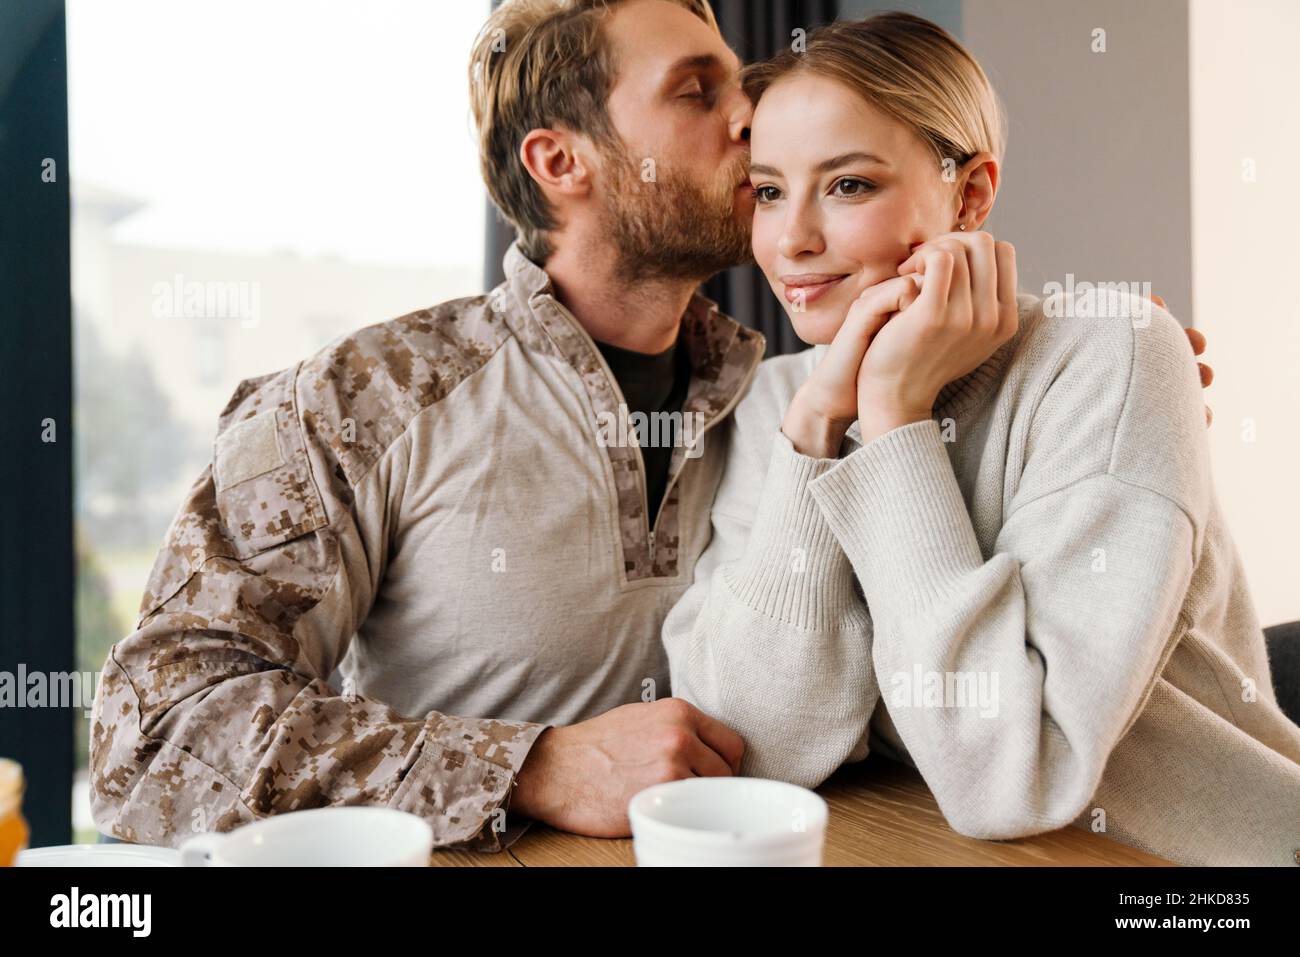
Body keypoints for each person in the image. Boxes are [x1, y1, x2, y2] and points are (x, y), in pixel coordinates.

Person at [89, 0, 1214, 852]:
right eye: (697, 92)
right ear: (563, 162)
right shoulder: (360, 398)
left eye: (743, 83)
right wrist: (525, 770)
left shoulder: (772, 391)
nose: (749, 113)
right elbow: (148, 746)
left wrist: (1082, 359)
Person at [662, 12, 1299, 866]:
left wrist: (895, 416)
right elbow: (757, 747)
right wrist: (815, 430)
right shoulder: (782, 397)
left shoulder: (1115, 354)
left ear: (968, 194)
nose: (793, 240)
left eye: (848, 185)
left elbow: (1012, 776)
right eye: (770, 190)